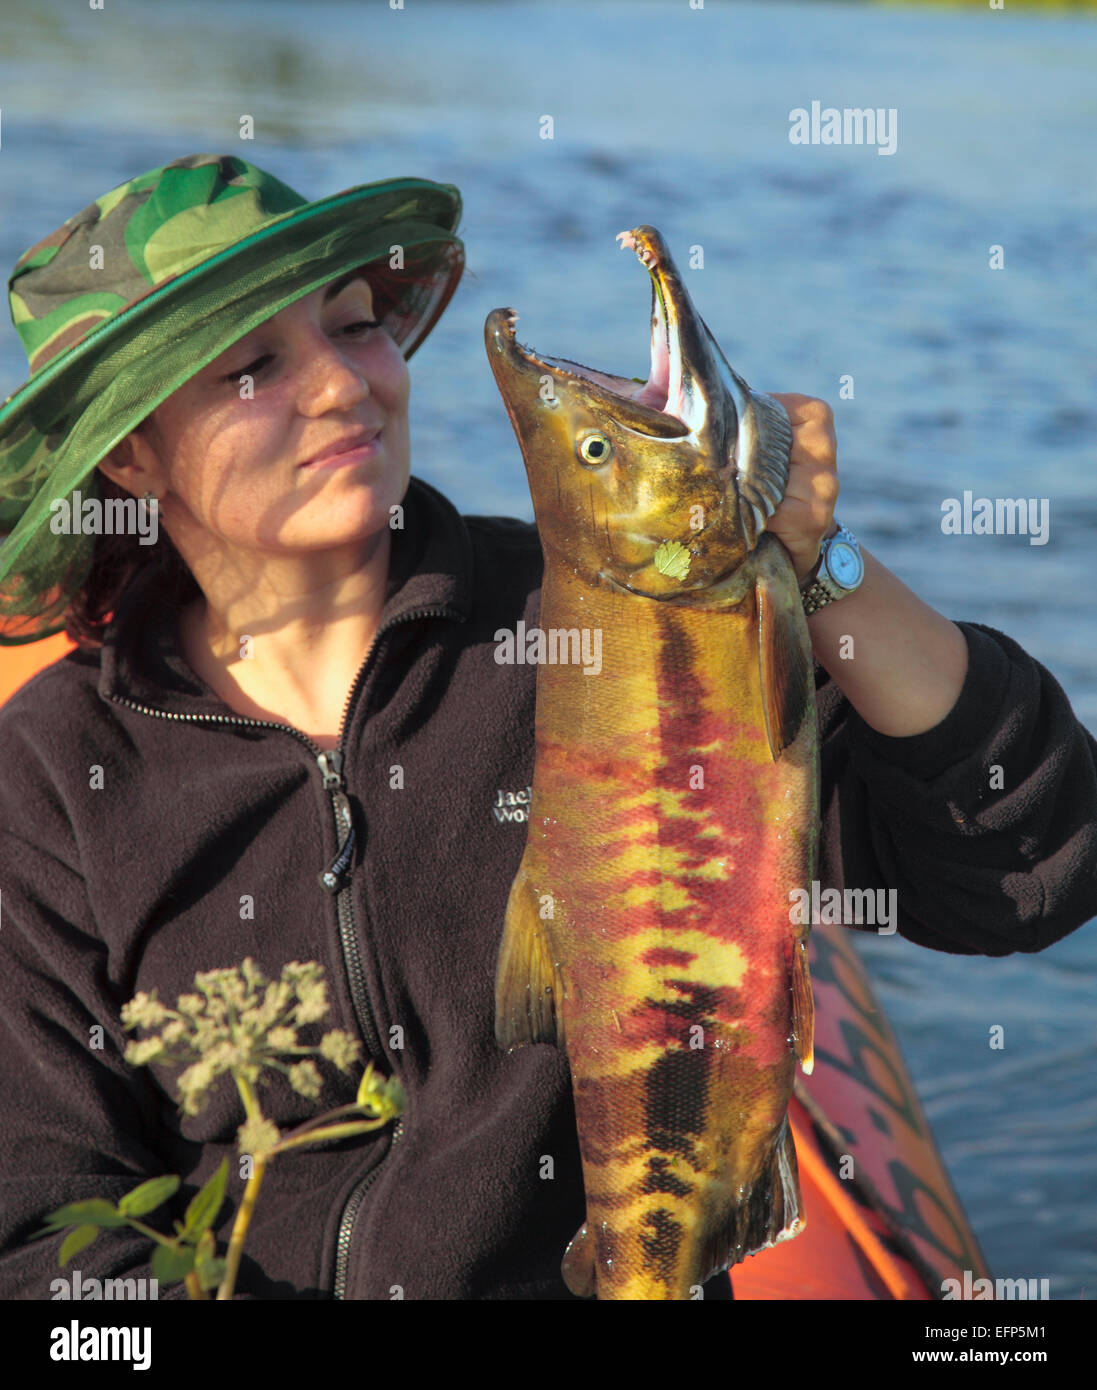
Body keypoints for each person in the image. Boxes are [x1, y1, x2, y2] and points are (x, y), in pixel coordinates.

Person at [0, 153, 1093, 1302]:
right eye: (251, 368)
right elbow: (39, 1237)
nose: (342, 386)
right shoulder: (56, 778)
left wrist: (821, 567)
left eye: (357, 324)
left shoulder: (599, 624)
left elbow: (1024, 874)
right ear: (128, 453)